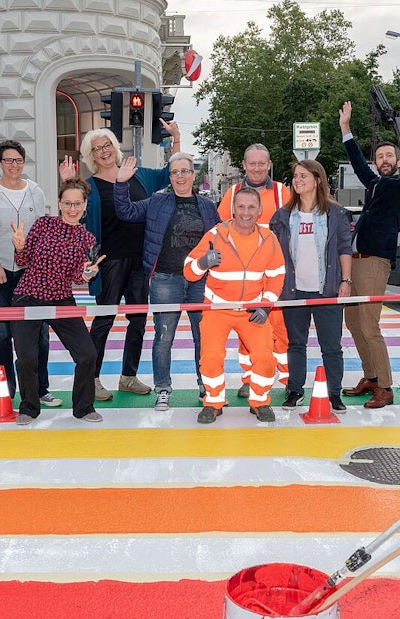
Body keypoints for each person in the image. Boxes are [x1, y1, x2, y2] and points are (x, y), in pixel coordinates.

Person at [60, 120, 181, 401]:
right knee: (103, 320)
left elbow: (170, 173)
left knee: (138, 321)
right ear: (90, 156)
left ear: (115, 147)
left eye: (107, 145)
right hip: (109, 262)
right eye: (96, 148)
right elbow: (72, 213)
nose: (103, 151)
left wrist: (176, 138)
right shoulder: (89, 187)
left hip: (140, 261)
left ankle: (128, 376)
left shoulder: (139, 176)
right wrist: (68, 183)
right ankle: (91, 379)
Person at [338, 91, 400, 408]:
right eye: (379, 156)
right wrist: (345, 130)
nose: (384, 160)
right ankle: (371, 376)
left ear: (398, 161)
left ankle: (386, 386)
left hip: (374, 262)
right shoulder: (375, 184)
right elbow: (358, 163)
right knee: (354, 324)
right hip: (354, 262)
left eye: (389, 156)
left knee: (369, 326)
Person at [113, 152, 220, 411]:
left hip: (200, 280)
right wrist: (121, 184)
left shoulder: (208, 206)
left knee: (204, 337)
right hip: (165, 279)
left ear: (193, 175)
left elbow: (220, 238)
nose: (180, 176)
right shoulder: (157, 202)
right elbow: (126, 211)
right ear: (169, 177)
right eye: (174, 172)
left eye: (185, 171)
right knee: (163, 337)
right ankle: (163, 389)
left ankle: (206, 386)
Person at [183, 186, 285, 424]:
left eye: (251, 207)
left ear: (259, 210)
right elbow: (188, 272)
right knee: (210, 357)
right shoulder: (215, 235)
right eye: (241, 207)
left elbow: (276, 276)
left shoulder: (269, 239)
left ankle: (260, 401)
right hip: (217, 309)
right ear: (233, 209)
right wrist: (203, 262)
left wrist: (265, 306)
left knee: (264, 357)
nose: (246, 212)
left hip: (252, 310)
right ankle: (213, 402)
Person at [0, 139, 61, 407]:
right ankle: (6, 389)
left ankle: (40, 389)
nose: (14, 165)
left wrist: (40, 267)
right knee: (2, 333)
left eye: (18, 160)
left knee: (39, 332)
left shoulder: (35, 192)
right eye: (8, 160)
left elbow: (43, 233)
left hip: (31, 274)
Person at [9, 179, 103, 424]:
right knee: (27, 358)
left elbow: (77, 277)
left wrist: (86, 274)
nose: (72, 209)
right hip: (28, 297)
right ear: (59, 203)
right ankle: (29, 408)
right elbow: (22, 260)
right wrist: (19, 246)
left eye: (77, 203)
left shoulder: (87, 239)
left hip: (61, 299)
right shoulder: (43, 224)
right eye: (67, 203)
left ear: (85, 205)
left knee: (87, 354)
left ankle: (84, 407)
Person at [270, 160, 353, 412]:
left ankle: (334, 393)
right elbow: (274, 253)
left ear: (318, 179)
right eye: (295, 176)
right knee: (296, 343)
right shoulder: (283, 216)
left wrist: (346, 280)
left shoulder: (335, 214)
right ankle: (295, 390)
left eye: (303, 176)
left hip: (327, 290)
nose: (297, 180)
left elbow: (344, 248)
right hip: (293, 291)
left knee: (332, 346)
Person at [216, 143, 290, 399]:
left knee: (282, 331)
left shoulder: (282, 192)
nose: (257, 168)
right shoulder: (232, 194)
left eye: (261, 163)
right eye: (252, 163)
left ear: (269, 165)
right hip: (245, 280)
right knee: (248, 333)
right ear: (244, 165)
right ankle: (249, 379)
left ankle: (289, 379)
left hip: (275, 277)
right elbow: (221, 232)